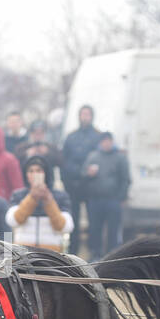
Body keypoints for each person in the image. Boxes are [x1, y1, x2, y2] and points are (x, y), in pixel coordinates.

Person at [6, 155, 73, 251]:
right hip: (23, 252)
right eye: (31, 171)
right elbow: (13, 221)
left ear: (46, 173)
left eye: (38, 171)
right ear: (26, 174)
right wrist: (31, 198)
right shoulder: (18, 195)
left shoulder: (60, 196)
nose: (34, 174)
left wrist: (49, 202)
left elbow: (65, 227)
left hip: (51, 253)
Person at [61, 106, 103, 253]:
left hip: (91, 186)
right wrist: (67, 181)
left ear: (92, 116)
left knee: (94, 221)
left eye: (88, 114)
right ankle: (73, 251)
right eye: (83, 114)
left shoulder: (98, 136)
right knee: (73, 220)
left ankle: (94, 251)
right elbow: (64, 160)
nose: (85, 117)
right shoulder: (71, 137)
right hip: (73, 186)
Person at [83, 132, 129, 256]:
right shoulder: (93, 156)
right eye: (104, 141)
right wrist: (89, 174)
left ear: (112, 142)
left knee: (113, 231)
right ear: (100, 142)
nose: (106, 143)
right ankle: (95, 254)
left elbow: (125, 179)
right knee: (94, 229)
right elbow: (84, 175)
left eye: (109, 140)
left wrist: (121, 197)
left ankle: (113, 255)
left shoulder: (120, 157)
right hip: (95, 200)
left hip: (113, 200)